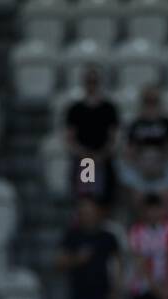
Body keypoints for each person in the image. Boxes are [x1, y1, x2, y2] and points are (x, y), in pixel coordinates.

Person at [56, 197, 122, 299]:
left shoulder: (108, 237)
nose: (88, 216)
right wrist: (77, 259)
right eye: (84, 213)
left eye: (91, 212)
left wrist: (116, 290)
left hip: (101, 294)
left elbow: (117, 265)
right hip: (78, 294)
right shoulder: (72, 235)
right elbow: (60, 262)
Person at [118, 88, 168, 211]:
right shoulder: (135, 124)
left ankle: (165, 219)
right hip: (140, 169)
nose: (150, 105)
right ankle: (140, 221)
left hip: (162, 168)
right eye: (147, 101)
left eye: (153, 101)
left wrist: (159, 166)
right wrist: (142, 166)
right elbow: (129, 152)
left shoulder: (167, 123)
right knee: (125, 173)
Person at [64, 65, 118, 206]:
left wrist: (102, 155)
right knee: (86, 196)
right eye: (89, 81)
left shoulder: (109, 108)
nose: (92, 85)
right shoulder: (75, 109)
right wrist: (84, 155)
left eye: (95, 82)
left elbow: (114, 136)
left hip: (103, 159)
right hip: (85, 160)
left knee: (103, 197)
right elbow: (70, 137)